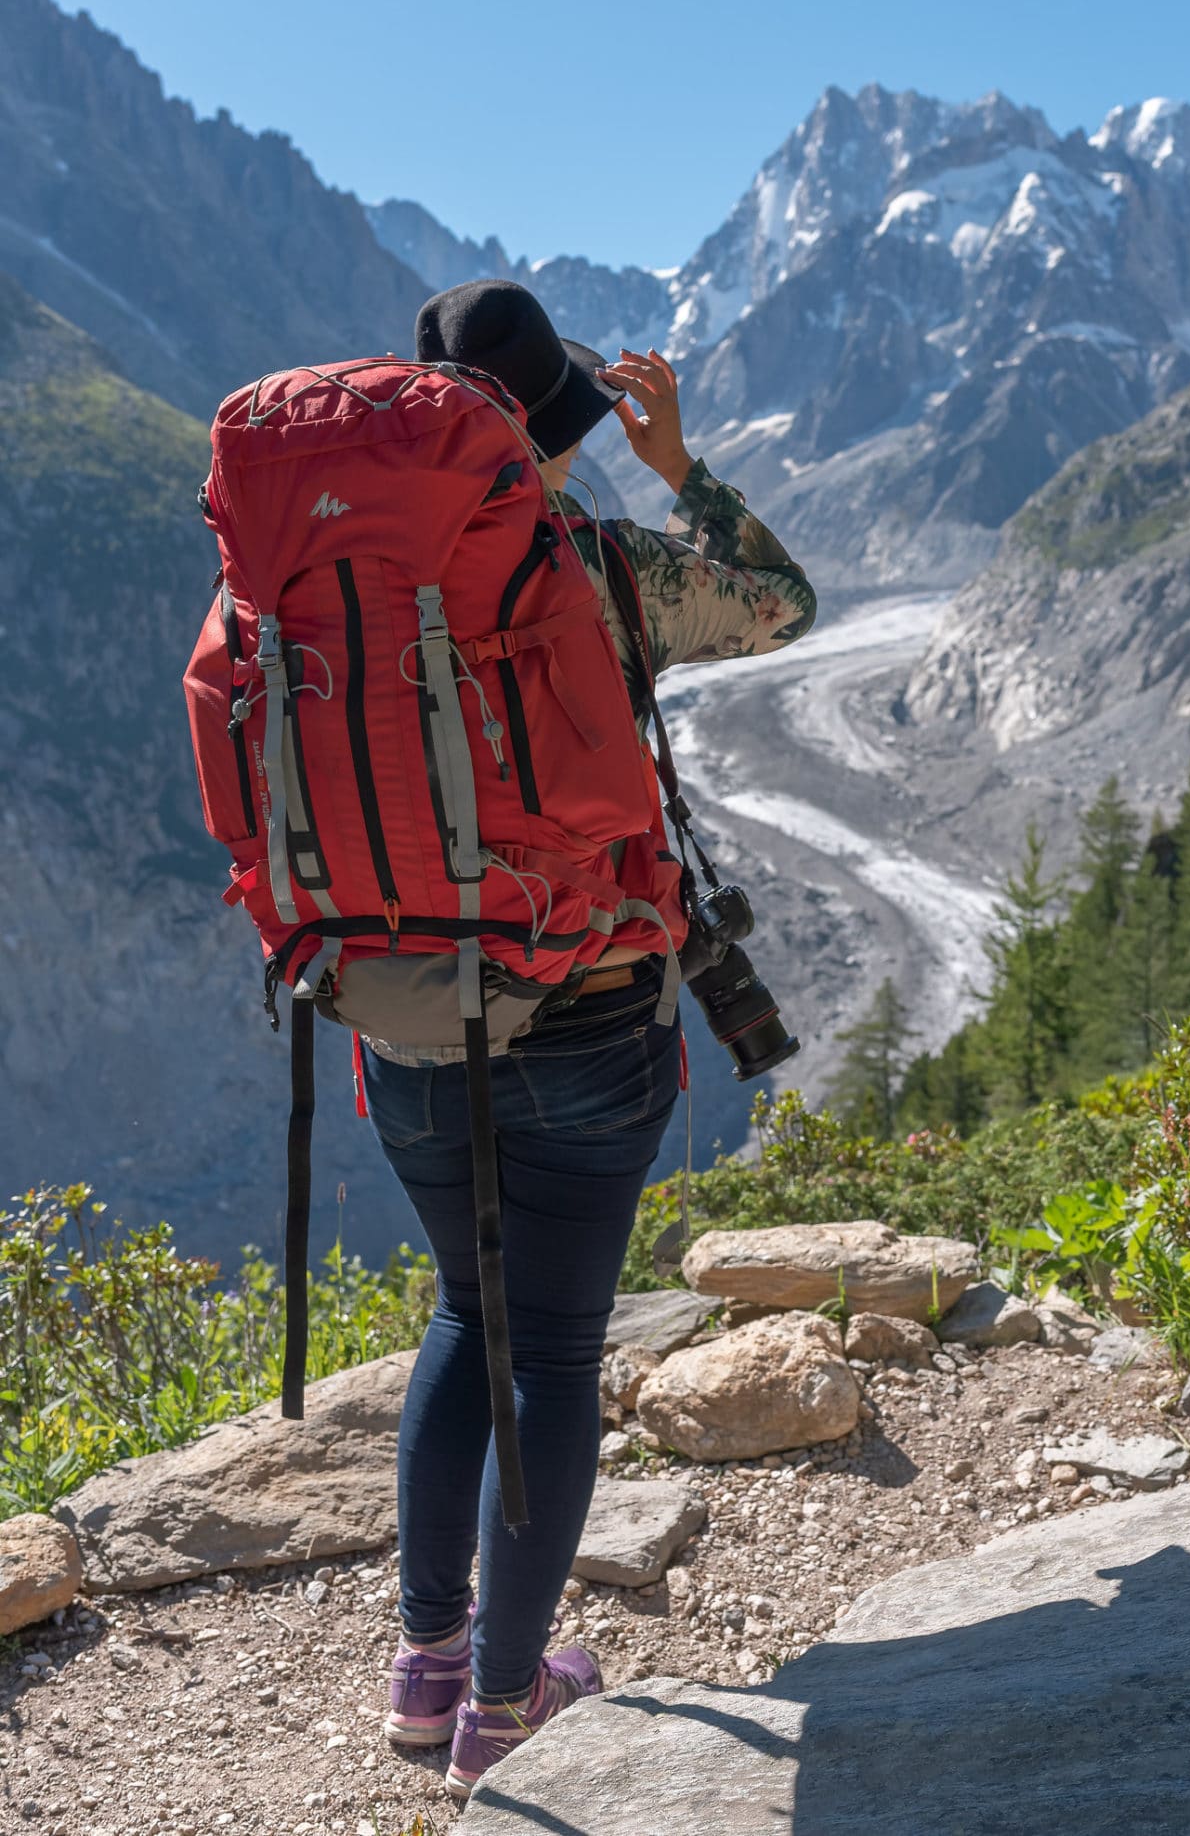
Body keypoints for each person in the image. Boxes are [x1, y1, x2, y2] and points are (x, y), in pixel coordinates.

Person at [361, 279, 816, 1801]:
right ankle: (506, 1700)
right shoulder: (604, 567)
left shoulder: (341, 584)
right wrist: (679, 462)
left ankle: (429, 1665)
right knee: (552, 1347)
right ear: (556, 420)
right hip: (588, 1015)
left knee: (461, 1315)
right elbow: (786, 604)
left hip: (405, 1023)